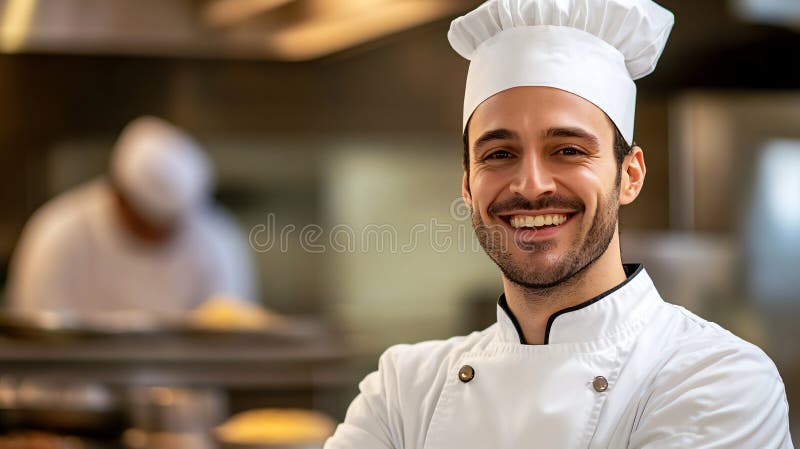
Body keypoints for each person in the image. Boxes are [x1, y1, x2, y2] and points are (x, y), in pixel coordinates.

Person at [324, 0, 793, 448]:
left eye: (568, 150)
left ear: (629, 175)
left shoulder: (715, 377)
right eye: (499, 154)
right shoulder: (403, 389)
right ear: (468, 186)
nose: (530, 185)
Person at [6, 116, 258, 320]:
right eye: (147, 222)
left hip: (184, 383)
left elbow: (230, 332)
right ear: (118, 197)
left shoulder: (216, 240)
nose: (159, 234)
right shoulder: (58, 233)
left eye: (171, 225)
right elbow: (35, 332)